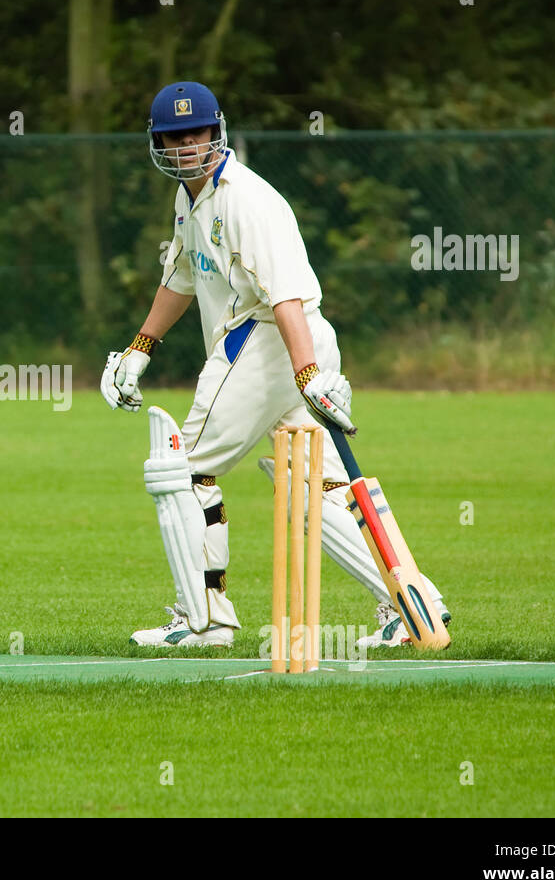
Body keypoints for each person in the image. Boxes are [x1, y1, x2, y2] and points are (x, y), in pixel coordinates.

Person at [100, 81, 450, 649]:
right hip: (291, 343)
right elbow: (181, 277)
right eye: (174, 137)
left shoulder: (246, 200)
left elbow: (283, 293)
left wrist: (307, 373)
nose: (187, 147)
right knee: (320, 486)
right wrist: (142, 345)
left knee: (184, 471)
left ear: (216, 133)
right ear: (158, 143)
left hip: (268, 339)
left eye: (196, 135)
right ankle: (411, 608)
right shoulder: (190, 199)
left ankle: (205, 618)